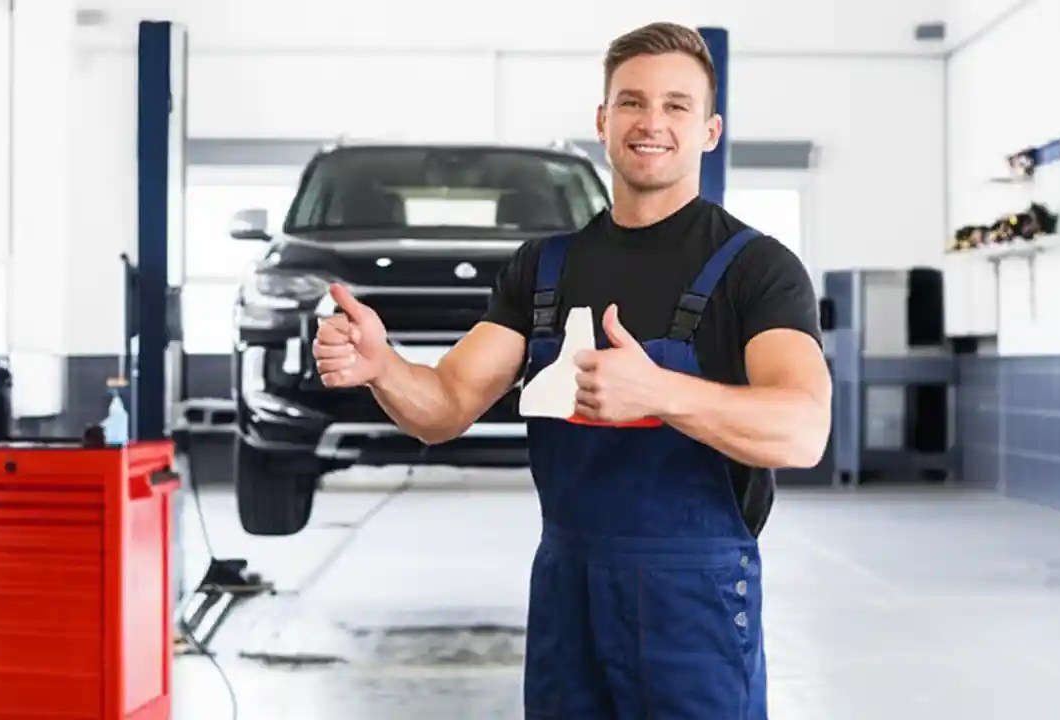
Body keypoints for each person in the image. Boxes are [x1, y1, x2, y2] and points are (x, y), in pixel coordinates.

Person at [312, 20, 831, 720]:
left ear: (709, 131)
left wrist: (661, 392)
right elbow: (444, 407)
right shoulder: (543, 268)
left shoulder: (757, 269)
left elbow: (802, 431)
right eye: (632, 102)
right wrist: (383, 366)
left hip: (694, 603)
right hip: (568, 590)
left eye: (677, 105)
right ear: (603, 120)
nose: (652, 122)